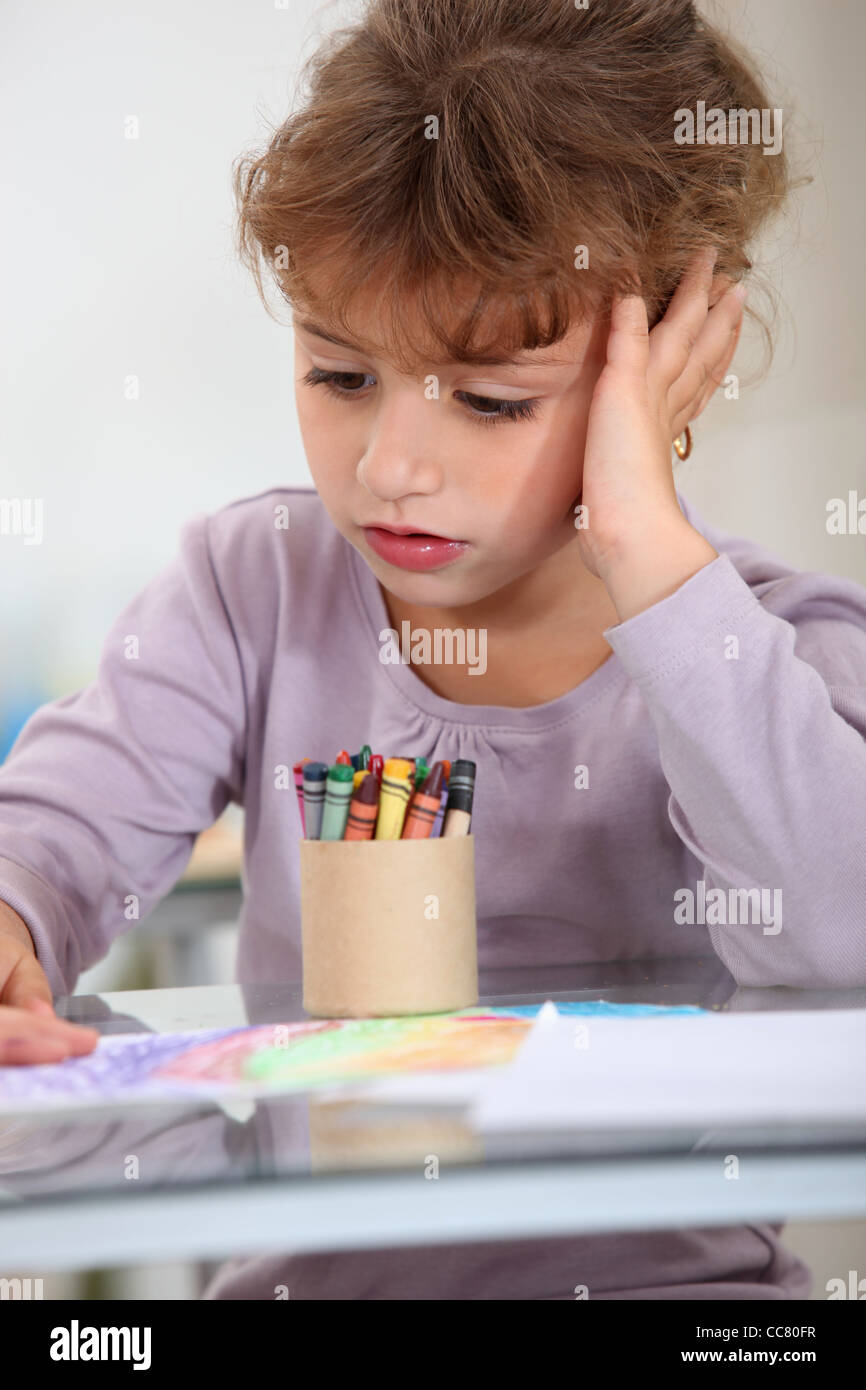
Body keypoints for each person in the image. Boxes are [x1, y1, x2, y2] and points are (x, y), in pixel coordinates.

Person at [1, 0, 864, 1298]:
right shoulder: (255, 588)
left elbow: (842, 941)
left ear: (684, 355)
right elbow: (60, 831)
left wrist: (643, 544)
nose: (390, 467)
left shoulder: (769, 644)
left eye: (489, 400)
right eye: (340, 376)